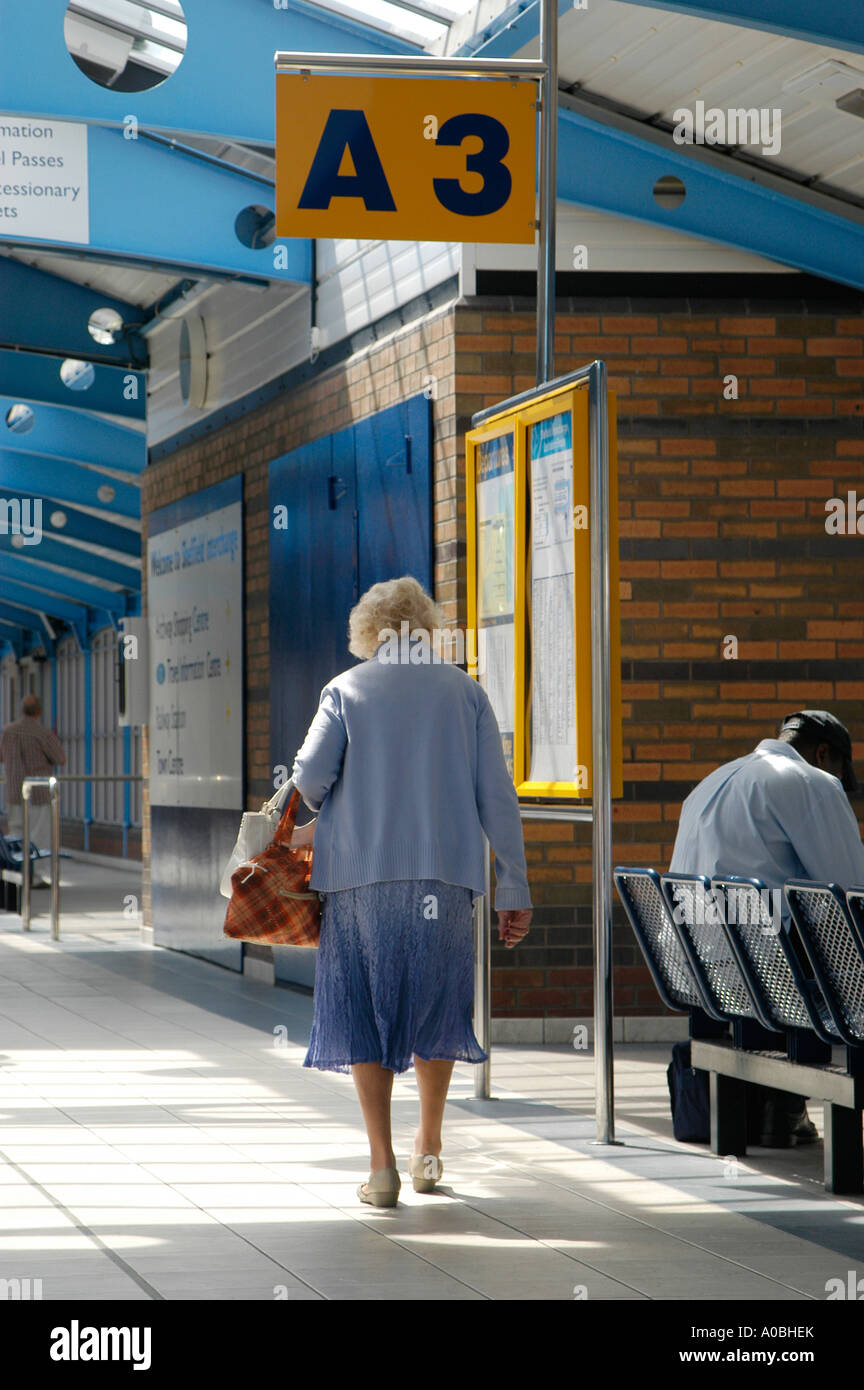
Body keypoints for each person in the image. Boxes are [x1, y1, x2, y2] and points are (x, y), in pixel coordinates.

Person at [291, 576, 532, 1208]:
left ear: (367, 631)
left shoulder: (345, 690)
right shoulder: (466, 693)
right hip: (447, 879)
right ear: (428, 629)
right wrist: (515, 885)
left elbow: (311, 781)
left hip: (360, 879)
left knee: (365, 1007)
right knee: (436, 1004)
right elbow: (498, 800)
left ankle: (382, 1168)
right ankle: (430, 1147)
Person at [669, 709, 864, 1146]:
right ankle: (786, 1105)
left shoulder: (712, 781)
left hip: (699, 976)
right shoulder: (811, 783)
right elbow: (851, 889)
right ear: (823, 753)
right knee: (835, 952)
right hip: (767, 977)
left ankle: (772, 1106)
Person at [0, 695, 66, 886]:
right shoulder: (42, 733)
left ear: (22, 710)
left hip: (14, 791)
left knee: (16, 833)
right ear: (39, 712)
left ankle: (17, 876)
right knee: (38, 836)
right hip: (38, 793)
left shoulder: (8, 732)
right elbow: (60, 758)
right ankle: (34, 877)